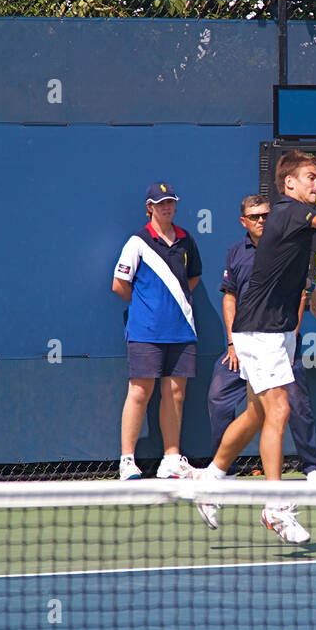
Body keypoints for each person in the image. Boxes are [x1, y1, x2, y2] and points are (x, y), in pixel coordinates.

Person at [196, 153, 316, 543]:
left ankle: (209, 480)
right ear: (289, 184)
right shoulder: (289, 210)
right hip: (259, 329)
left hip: (275, 329)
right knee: (280, 406)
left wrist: (310, 289)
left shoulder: (289, 220)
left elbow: (285, 267)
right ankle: (275, 506)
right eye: (312, 177)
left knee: (257, 414)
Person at [207, 194, 316, 482]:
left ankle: (311, 468)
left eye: (265, 215)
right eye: (255, 216)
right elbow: (230, 298)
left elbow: (296, 284)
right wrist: (232, 344)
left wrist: (314, 288)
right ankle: (269, 498)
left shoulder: (284, 246)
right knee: (249, 404)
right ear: (244, 221)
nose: (261, 220)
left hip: (281, 338)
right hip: (251, 338)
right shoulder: (237, 253)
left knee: (265, 412)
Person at [112, 181, 202, 480]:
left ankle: (171, 459)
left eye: (171, 202)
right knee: (140, 392)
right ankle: (127, 460)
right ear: (150, 208)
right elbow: (119, 284)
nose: (167, 207)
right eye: (161, 203)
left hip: (182, 330)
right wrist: (147, 307)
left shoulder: (187, 239)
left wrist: (175, 305)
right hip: (145, 332)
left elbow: (194, 278)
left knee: (175, 394)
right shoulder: (137, 242)